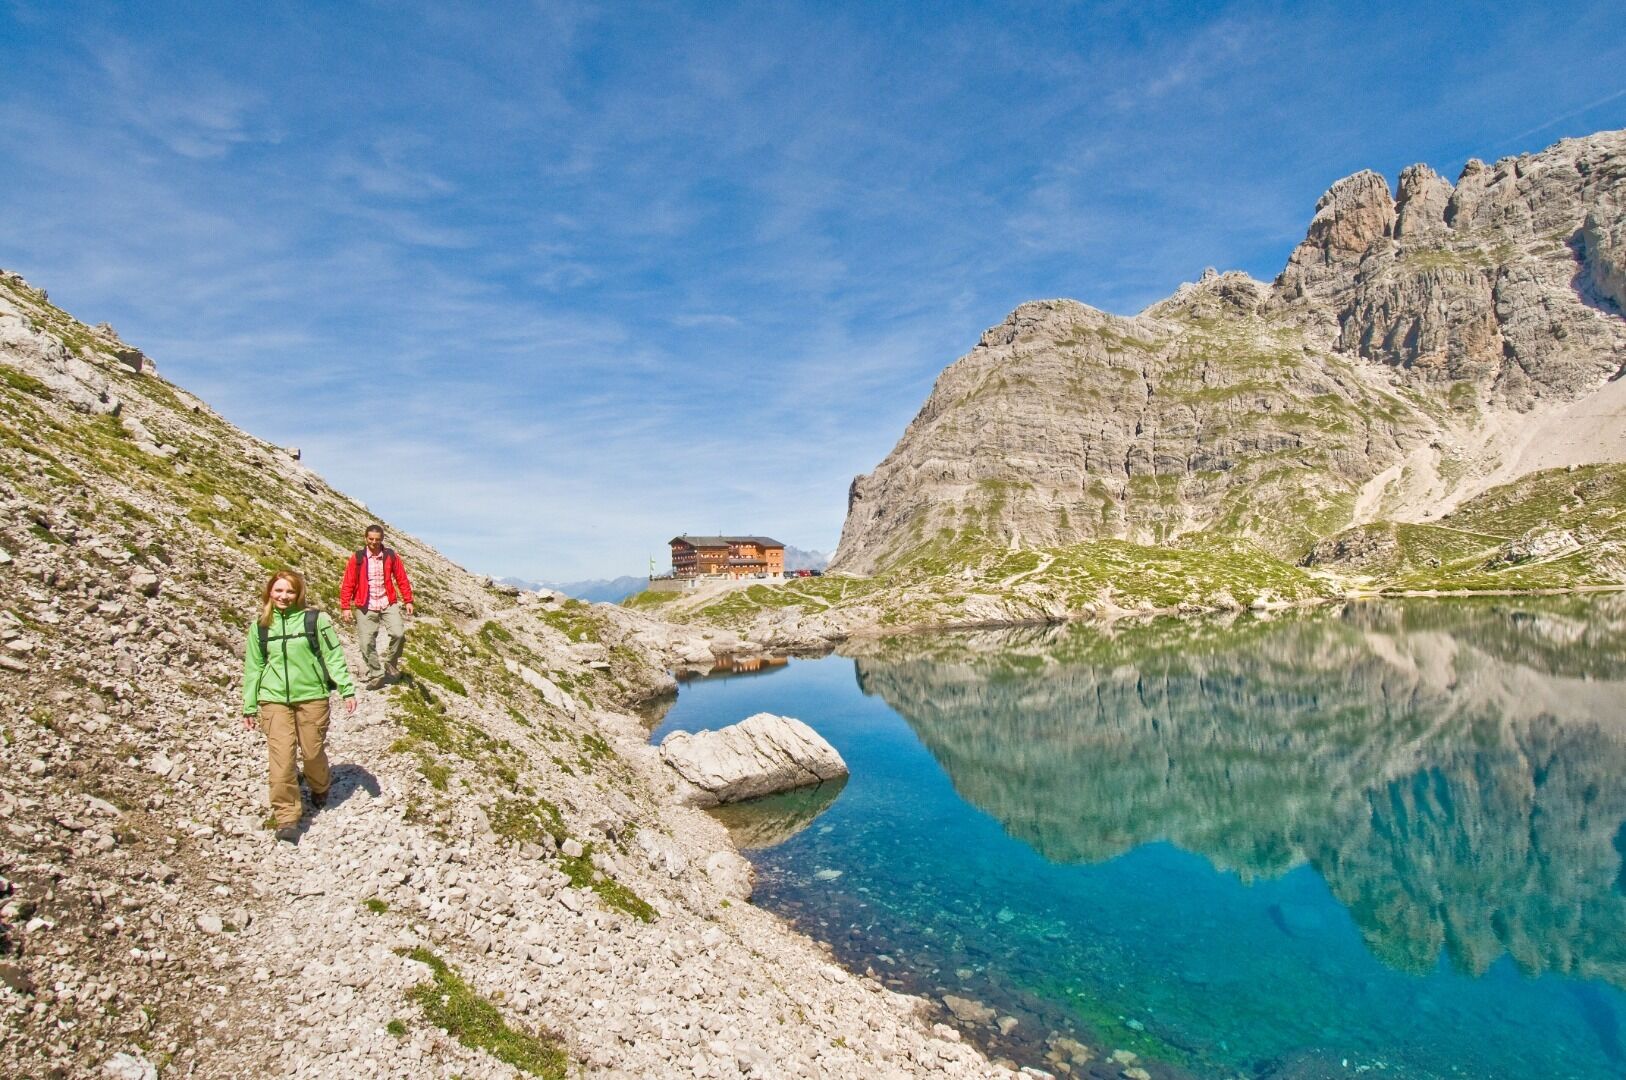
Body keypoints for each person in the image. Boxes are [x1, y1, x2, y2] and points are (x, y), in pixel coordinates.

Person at [240, 569, 357, 843]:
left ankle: (319, 785)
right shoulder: (260, 627)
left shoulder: (315, 620)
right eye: (278, 590)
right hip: (273, 699)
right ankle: (286, 818)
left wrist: (346, 688)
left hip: (312, 696)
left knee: (312, 752)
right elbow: (253, 667)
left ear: (299, 594)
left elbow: (333, 655)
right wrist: (249, 704)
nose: (284, 596)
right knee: (281, 761)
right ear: (270, 592)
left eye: (290, 591)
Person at [339, 523, 415, 689]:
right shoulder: (357, 558)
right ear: (365, 538)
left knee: (399, 634)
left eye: (377, 539)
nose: (373, 542)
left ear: (382, 540)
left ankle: (390, 664)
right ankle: (376, 674)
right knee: (366, 642)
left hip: (387, 602)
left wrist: (408, 600)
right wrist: (345, 606)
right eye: (371, 539)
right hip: (365, 604)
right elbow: (348, 583)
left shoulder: (391, 556)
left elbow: (402, 579)